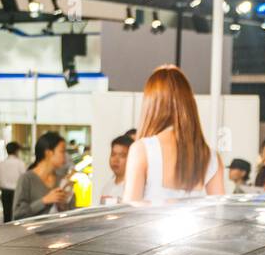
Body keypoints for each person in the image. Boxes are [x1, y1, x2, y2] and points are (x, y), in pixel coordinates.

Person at [124, 65, 224, 203]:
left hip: (149, 224)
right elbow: (219, 213)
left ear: (151, 104)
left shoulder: (143, 149)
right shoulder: (211, 157)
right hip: (200, 225)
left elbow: (129, 211)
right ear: (189, 103)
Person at [14, 132, 75, 220]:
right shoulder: (26, 179)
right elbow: (18, 214)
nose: (65, 156)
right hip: (32, 233)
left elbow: (72, 214)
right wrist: (44, 201)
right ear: (49, 153)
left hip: (59, 232)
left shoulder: (62, 180)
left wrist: (64, 204)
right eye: (62, 151)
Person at [0, 141, 27, 221]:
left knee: (6, 214)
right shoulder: (20, 163)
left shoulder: (2, 163)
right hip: (17, 192)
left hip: (5, 192)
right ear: (16, 151)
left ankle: (6, 231)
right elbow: (24, 178)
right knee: (16, 214)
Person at [95, 134, 132, 205]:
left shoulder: (133, 187)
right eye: (113, 154)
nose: (115, 160)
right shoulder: (107, 187)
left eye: (122, 156)